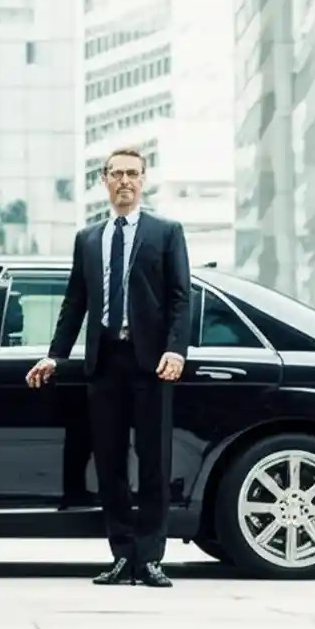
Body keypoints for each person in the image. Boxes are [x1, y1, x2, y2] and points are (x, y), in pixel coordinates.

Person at [26, 147, 191, 588]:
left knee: (154, 462)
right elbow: (74, 301)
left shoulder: (166, 232)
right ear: (104, 180)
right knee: (109, 462)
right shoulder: (88, 239)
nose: (124, 181)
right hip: (104, 363)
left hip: (151, 364)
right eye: (116, 174)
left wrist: (176, 350)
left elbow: (180, 297)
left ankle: (150, 559)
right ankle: (121, 555)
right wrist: (55, 355)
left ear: (143, 179)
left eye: (132, 174)